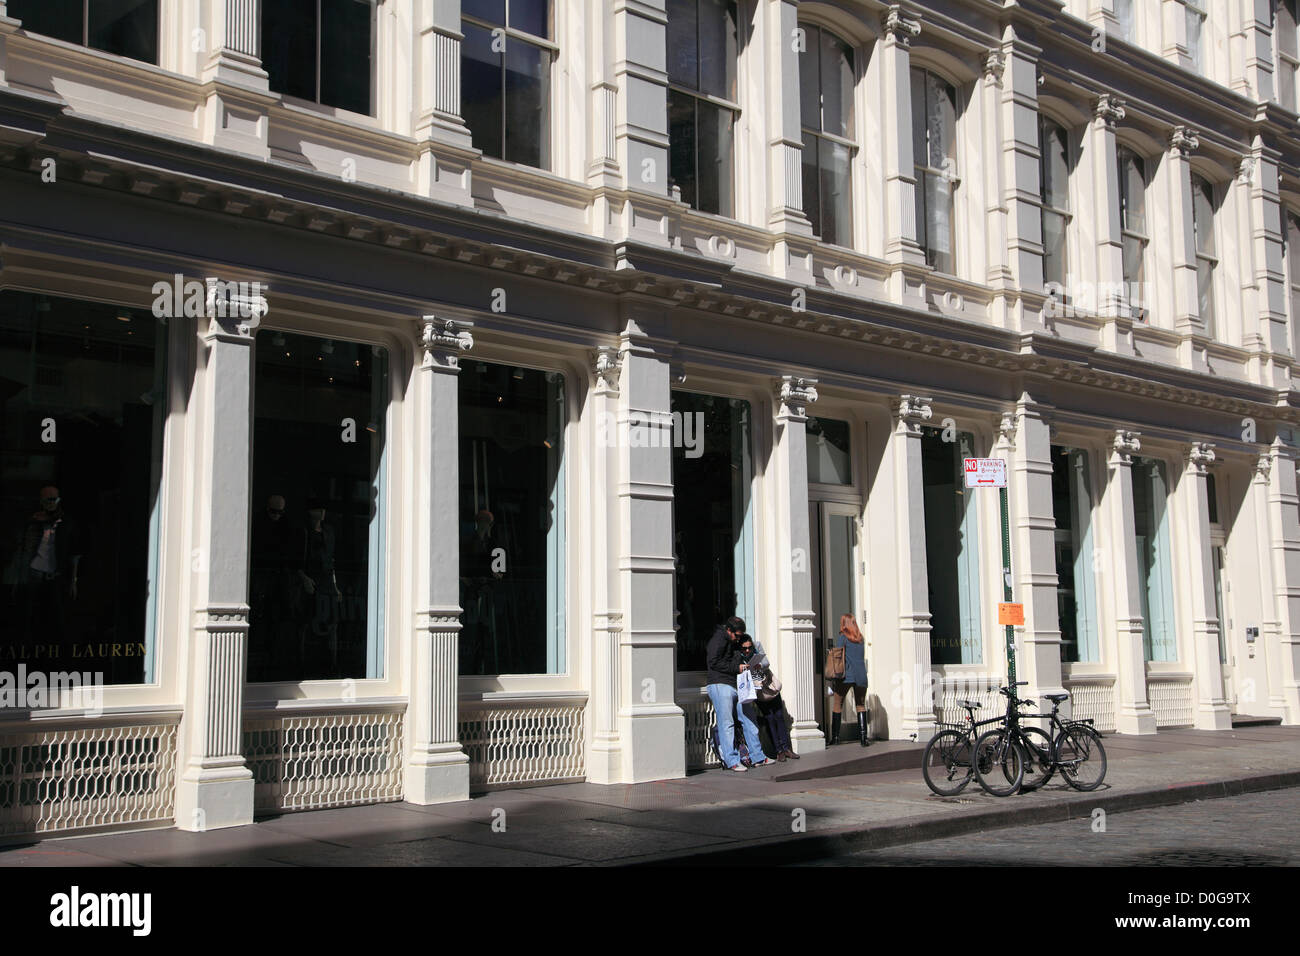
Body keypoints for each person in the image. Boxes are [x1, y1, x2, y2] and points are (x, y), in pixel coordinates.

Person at [13, 486, 80, 645]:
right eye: (46, 500)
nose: (50, 503)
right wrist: (18, 578)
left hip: (54, 577)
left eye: (53, 499)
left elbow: (74, 553)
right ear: (41, 501)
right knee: (30, 618)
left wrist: (73, 580)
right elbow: (23, 550)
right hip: (34, 575)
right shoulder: (33, 522)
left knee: (56, 618)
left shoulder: (66, 523)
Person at [706, 616, 773, 772]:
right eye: (736, 635)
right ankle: (732, 760)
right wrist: (737, 668)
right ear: (728, 630)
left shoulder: (734, 641)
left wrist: (749, 662)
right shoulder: (718, 639)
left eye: (740, 636)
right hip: (720, 683)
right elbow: (713, 662)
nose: (737, 639)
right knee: (727, 723)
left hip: (736, 683)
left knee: (749, 718)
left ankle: (758, 756)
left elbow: (737, 658)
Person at [739, 635, 799, 762]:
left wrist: (759, 665)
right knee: (770, 718)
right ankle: (778, 751)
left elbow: (766, 662)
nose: (748, 651)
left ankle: (787, 748)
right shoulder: (739, 656)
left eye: (749, 648)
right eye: (745, 649)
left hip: (769, 686)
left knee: (779, 716)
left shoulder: (757, 645)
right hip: (758, 690)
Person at [831, 612, 871, 747]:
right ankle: (863, 738)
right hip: (861, 675)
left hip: (847, 675)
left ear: (844, 624)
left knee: (837, 704)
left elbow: (837, 655)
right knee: (861, 705)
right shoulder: (861, 638)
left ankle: (836, 737)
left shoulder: (843, 637)